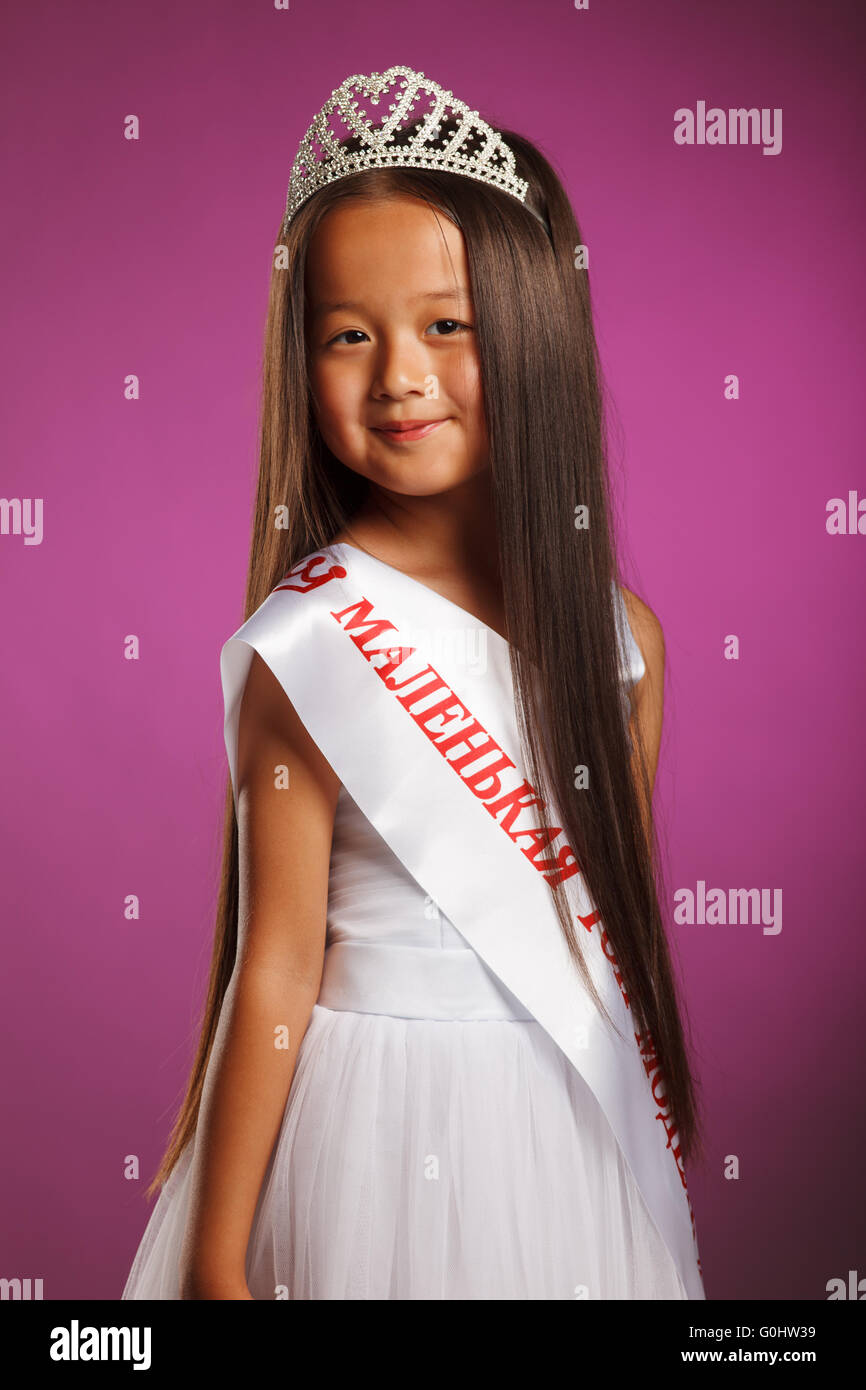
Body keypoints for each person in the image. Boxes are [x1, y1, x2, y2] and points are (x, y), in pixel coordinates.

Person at [122, 64, 705, 1301]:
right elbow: (275, 964)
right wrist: (219, 1264)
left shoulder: (625, 644)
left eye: (448, 323)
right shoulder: (315, 643)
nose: (396, 375)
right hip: (371, 1132)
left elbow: (606, 942)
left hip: (564, 1138)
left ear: (533, 332)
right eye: (347, 333)